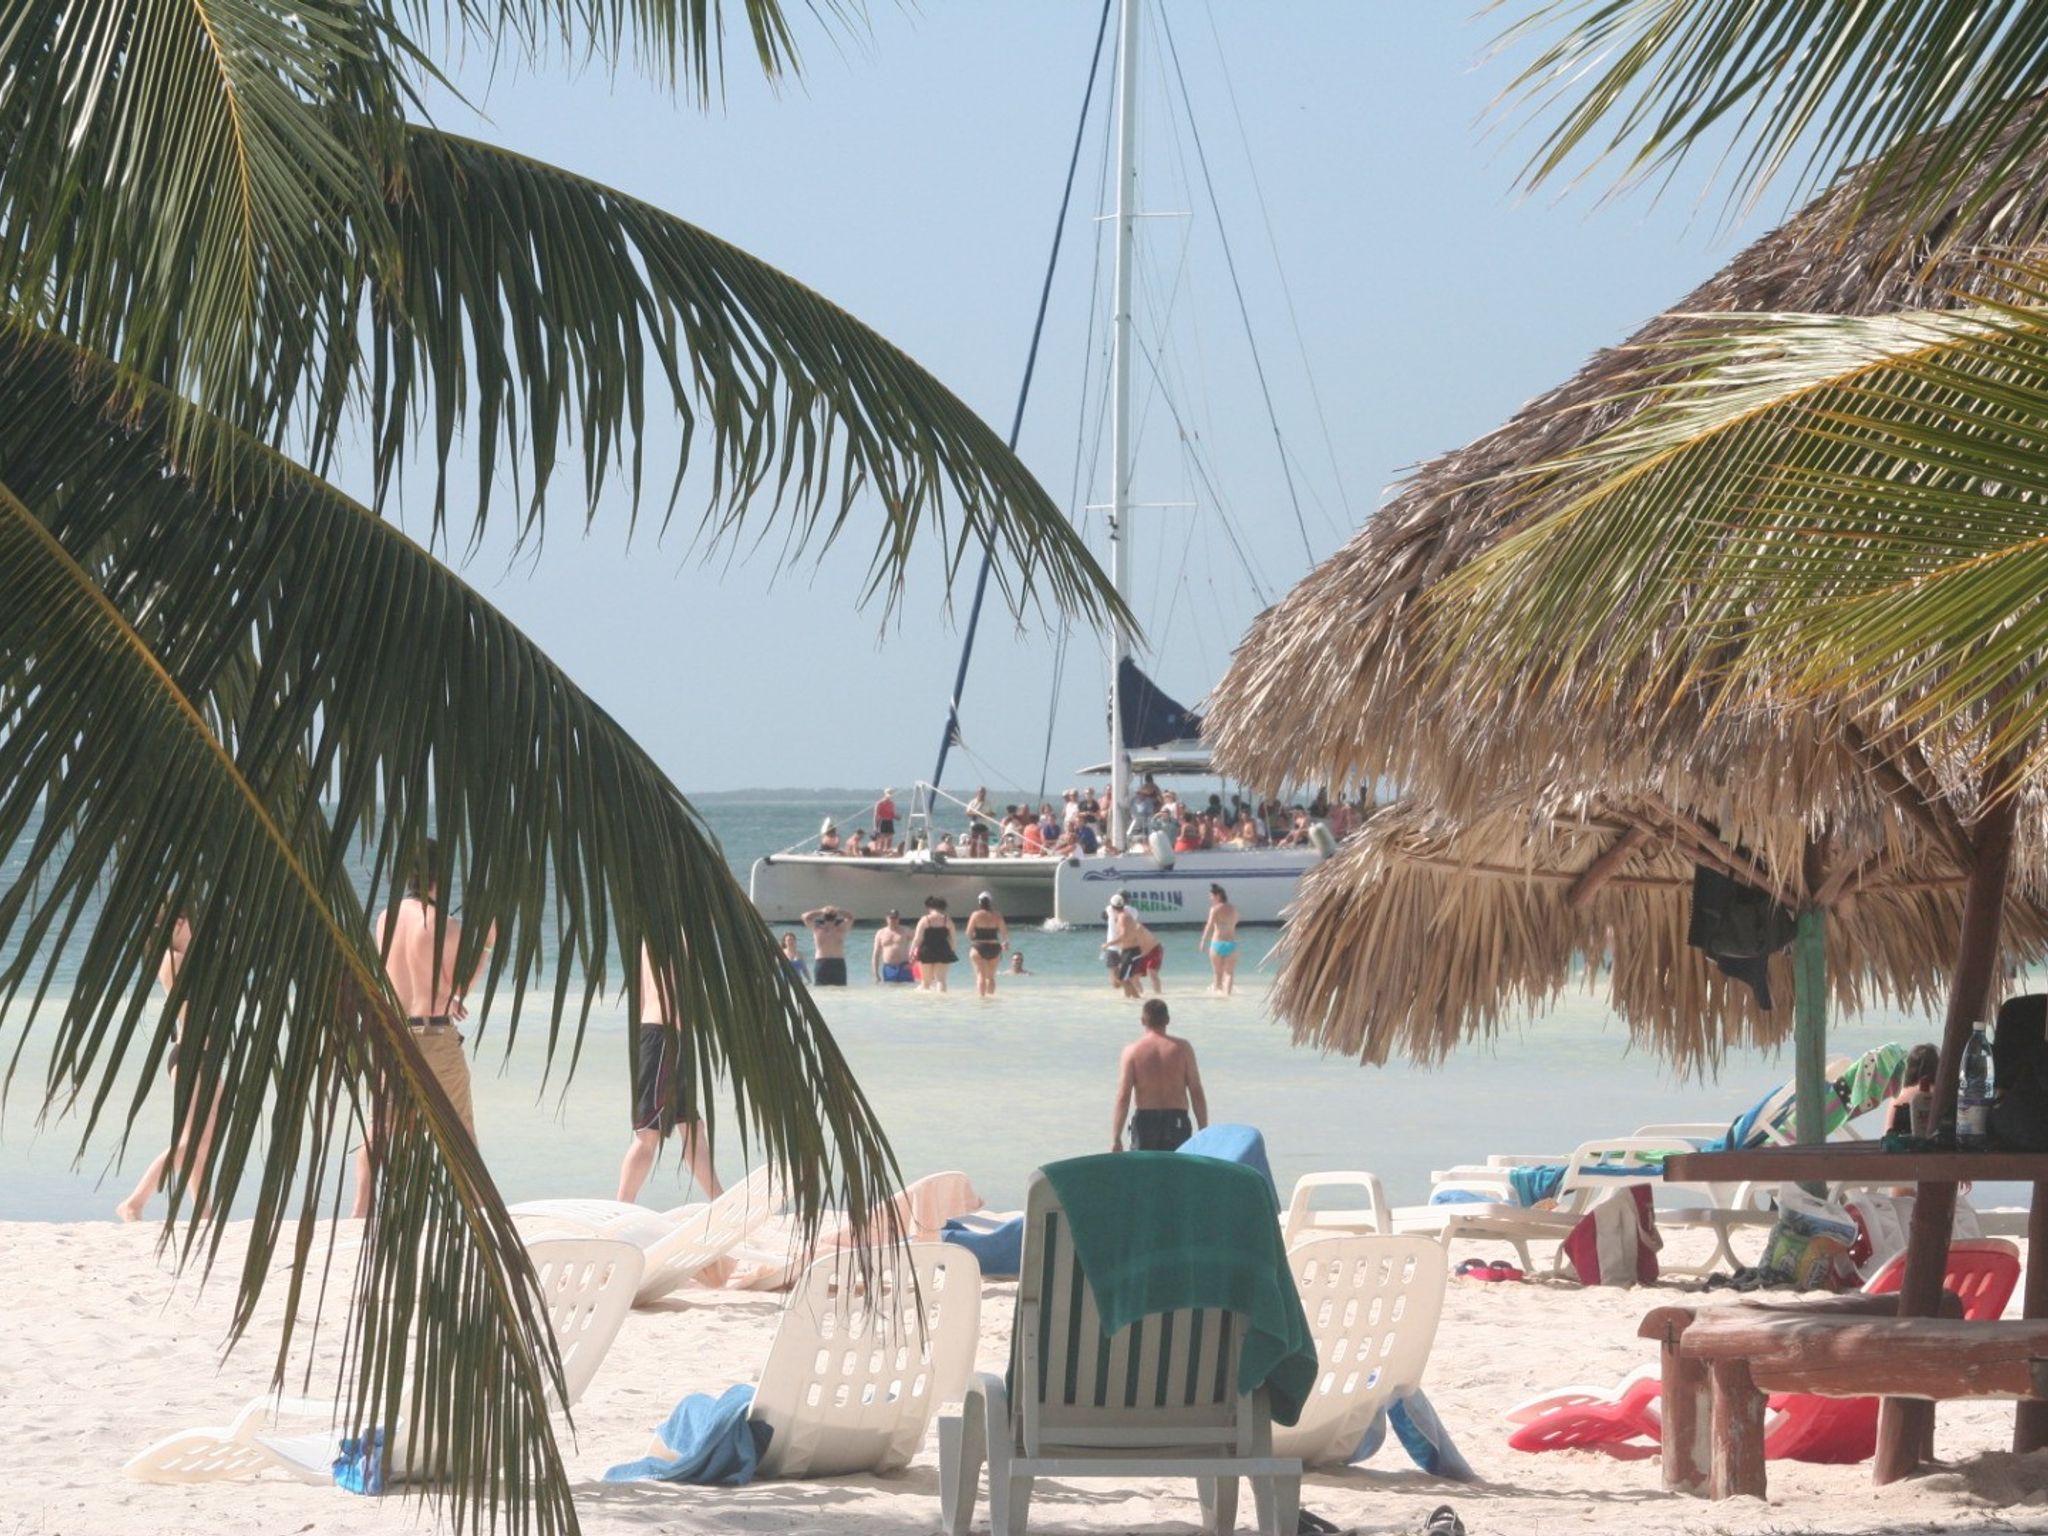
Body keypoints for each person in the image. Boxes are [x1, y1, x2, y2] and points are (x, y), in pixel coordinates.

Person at [357, 840, 494, 1217]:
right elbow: (459, 984)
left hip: (393, 1032)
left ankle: (360, 1207)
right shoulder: (444, 925)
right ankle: (479, 1210)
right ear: (440, 875)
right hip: (434, 1037)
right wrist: (486, 947)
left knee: (382, 1125)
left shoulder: (385, 918)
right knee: (459, 1127)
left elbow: (396, 974)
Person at [117, 914, 222, 1222]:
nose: (187, 920)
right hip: (190, 1056)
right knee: (190, 1142)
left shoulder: (194, 956)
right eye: (180, 916)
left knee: (202, 1145)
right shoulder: (172, 960)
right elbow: (193, 1005)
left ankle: (204, 1212)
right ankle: (134, 1203)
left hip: (208, 1057)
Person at [617, 941, 724, 1204]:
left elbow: (641, 994)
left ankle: (720, 1202)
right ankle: (621, 1208)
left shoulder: (650, 935)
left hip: (668, 1037)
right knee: (647, 1134)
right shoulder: (680, 930)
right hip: (663, 1037)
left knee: (692, 1128)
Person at [1111, 998, 1208, 1152]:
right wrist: (1204, 1131)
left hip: (1145, 1122)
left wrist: (1116, 1138)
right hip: (1177, 1121)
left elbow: (1123, 1096)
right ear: (1167, 1020)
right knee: (1177, 1171)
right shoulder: (1183, 1048)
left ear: (1143, 1020)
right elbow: (1196, 1091)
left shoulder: (1132, 1051)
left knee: (1144, 1172)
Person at [1108, 892, 1164, 999]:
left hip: (1153, 948)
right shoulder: (1125, 923)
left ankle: (1158, 995)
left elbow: (1134, 941)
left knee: (1151, 972)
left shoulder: (1135, 926)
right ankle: (1139, 996)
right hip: (1141, 952)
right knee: (1134, 977)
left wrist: (1109, 944)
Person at [1199, 883, 1242, 996]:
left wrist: (1203, 941)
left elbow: (1209, 926)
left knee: (1217, 974)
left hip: (1217, 943)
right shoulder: (1234, 909)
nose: (1210, 898)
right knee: (1229, 973)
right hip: (1231, 944)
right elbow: (1236, 921)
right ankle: (1227, 996)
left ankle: (1218, 999)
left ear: (1218, 896)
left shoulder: (1214, 909)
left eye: (1211, 896)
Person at [964, 892, 1010, 997]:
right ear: (990, 902)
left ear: (979, 902)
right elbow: (1004, 933)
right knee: (991, 977)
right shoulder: (997, 915)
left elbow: (968, 933)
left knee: (980, 975)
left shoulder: (975, 915)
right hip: (994, 947)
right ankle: (991, 999)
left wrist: (974, 937)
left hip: (978, 946)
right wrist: (1006, 942)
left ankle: (982, 999)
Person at [909, 896, 957, 992]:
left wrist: (911, 951)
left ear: (930, 907)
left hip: (926, 951)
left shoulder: (925, 919)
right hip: (943, 950)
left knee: (926, 982)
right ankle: (941, 1002)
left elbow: (917, 938)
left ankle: (928, 1005)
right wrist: (951, 950)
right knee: (941, 980)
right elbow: (953, 938)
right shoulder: (947, 920)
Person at [801, 905, 852, 986]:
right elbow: (804, 917)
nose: (830, 915)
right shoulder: (817, 928)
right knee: (821, 989)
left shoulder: (841, 928)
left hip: (838, 963)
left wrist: (837, 910)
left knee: (841, 991)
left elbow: (850, 917)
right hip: (822, 963)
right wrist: (821, 910)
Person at [873, 910, 915, 983]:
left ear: (899, 919)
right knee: (890, 990)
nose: (893, 920)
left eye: (896, 918)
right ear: (886, 918)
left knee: (907, 990)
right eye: (891, 918)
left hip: (904, 966)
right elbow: (876, 954)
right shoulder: (880, 933)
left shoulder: (906, 931)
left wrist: (913, 962)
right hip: (889, 967)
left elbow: (920, 942)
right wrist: (876, 974)